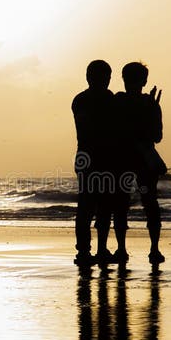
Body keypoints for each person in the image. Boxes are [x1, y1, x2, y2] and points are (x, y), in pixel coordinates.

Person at [113, 61, 165, 266]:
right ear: (144, 80)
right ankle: (153, 249)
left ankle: (122, 249)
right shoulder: (150, 104)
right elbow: (157, 136)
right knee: (149, 203)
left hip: (126, 160)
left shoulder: (119, 101)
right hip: (138, 160)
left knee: (122, 204)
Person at [71, 59, 115, 266]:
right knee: (91, 205)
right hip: (91, 157)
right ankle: (86, 251)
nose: (105, 81)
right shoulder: (85, 100)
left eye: (107, 77)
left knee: (97, 205)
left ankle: (96, 249)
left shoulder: (85, 99)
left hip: (95, 156)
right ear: (90, 77)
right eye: (103, 77)